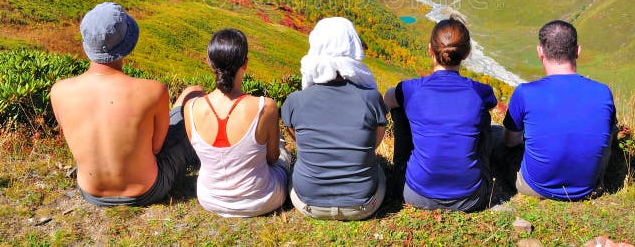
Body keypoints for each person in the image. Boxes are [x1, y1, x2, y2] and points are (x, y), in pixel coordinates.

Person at [50, 2, 202, 206]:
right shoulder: (153, 90)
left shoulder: (59, 91)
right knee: (193, 94)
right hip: (147, 190)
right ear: (126, 44)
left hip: (90, 192)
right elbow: (157, 148)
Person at [384, 17, 498, 212]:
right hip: (471, 198)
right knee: (484, 116)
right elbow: (492, 102)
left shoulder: (410, 89)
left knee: (399, 108)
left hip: (415, 194)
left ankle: (401, 166)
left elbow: (387, 99)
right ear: (467, 53)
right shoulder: (480, 91)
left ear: (430, 50)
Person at [281, 17, 388, 220]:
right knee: (378, 169)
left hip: (308, 203)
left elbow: (297, 138)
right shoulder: (371, 98)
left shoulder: (295, 101)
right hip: (364, 205)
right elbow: (374, 142)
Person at [503, 20, 617, 201]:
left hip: (536, 186)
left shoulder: (525, 92)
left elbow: (510, 142)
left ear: (540, 52)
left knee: (499, 143)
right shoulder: (603, 92)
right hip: (587, 187)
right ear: (578, 51)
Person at [183, 29, 289, 217]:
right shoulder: (265, 107)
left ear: (209, 62)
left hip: (210, 199)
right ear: (245, 63)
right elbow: (272, 158)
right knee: (284, 156)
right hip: (261, 199)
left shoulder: (191, 107)